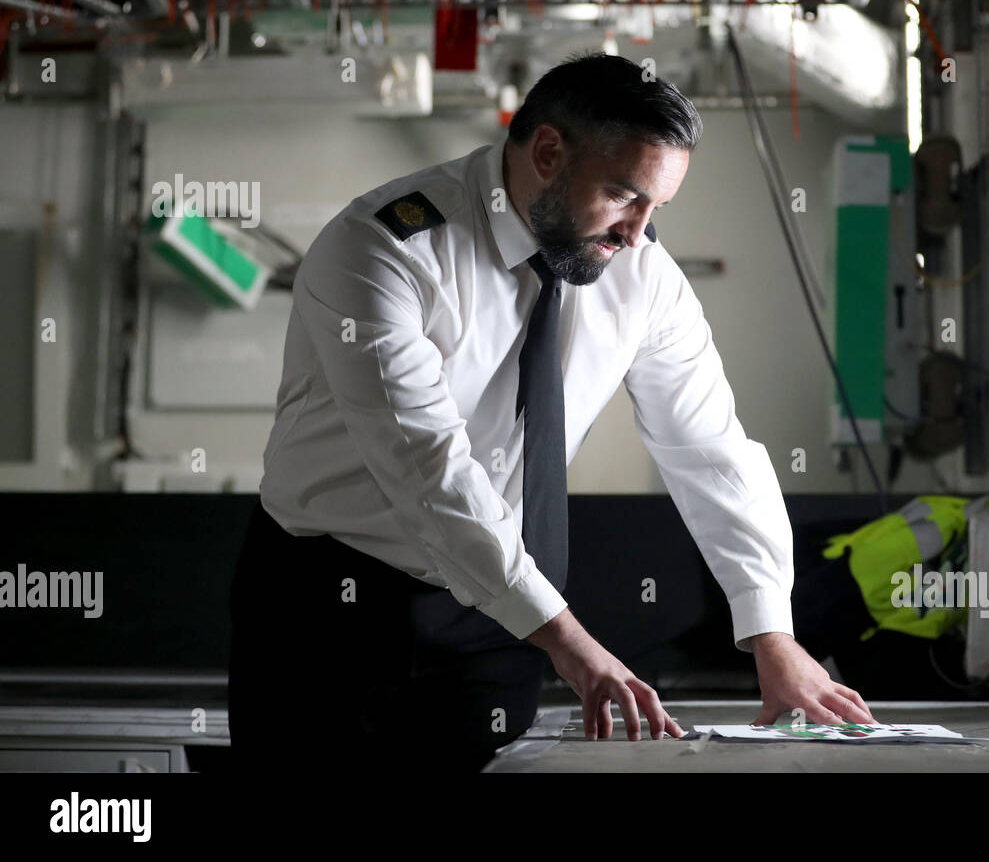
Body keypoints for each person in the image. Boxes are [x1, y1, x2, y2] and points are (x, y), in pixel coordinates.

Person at [228, 52, 874, 773]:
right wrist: (572, 643)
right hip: (330, 603)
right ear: (546, 151)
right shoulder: (383, 249)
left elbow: (711, 449)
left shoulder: (643, 277)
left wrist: (772, 635)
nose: (638, 233)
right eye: (625, 195)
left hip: (503, 617)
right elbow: (431, 472)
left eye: (657, 208)